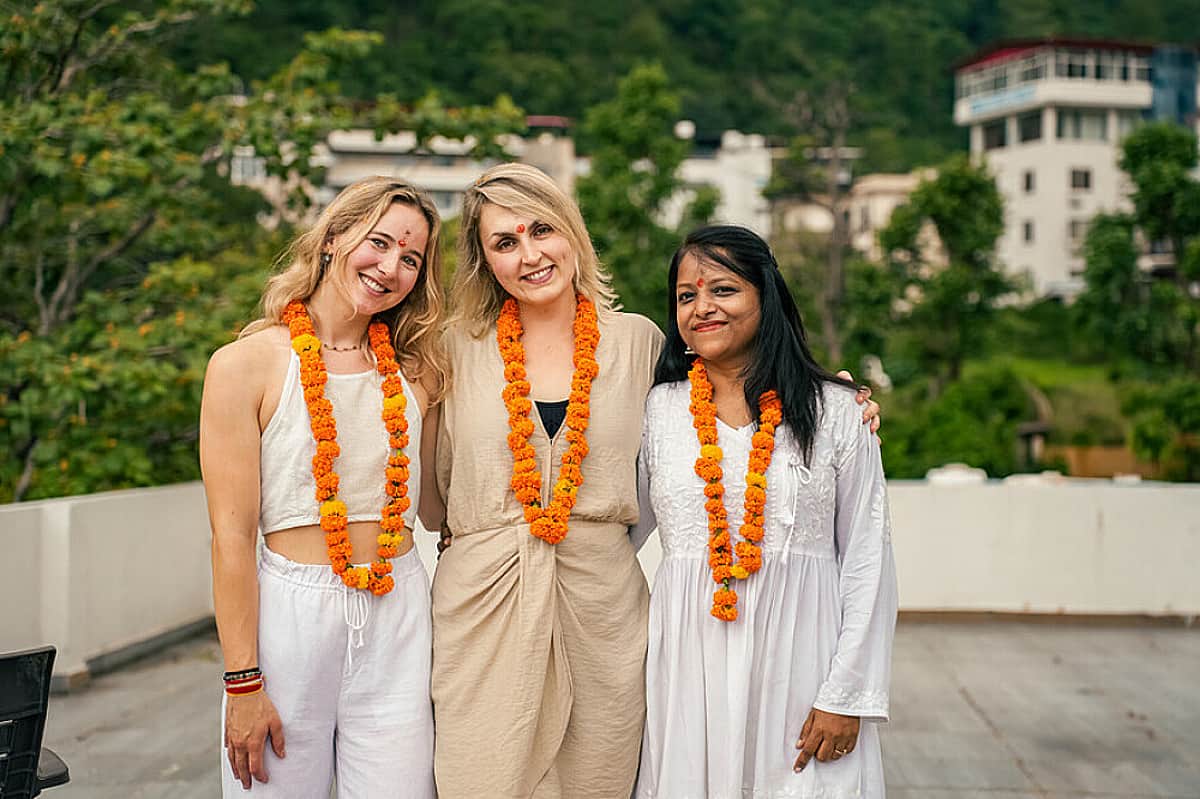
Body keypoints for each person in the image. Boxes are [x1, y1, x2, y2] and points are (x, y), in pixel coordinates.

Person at [200, 177, 445, 797]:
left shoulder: (420, 372)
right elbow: (230, 537)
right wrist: (243, 683)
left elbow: (443, 509)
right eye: (379, 242)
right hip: (290, 616)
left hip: (399, 606)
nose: (390, 268)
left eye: (410, 258)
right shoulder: (246, 364)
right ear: (334, 237)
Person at [632, 225, 898, 798]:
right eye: (685, 296)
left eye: (722, 290)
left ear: (765, 297)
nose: (702, 308)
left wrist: (844, 696)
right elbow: (612, 535)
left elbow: (867, 562)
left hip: (804, 670)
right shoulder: (656, 411)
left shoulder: (836, 413)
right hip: (690, 673)